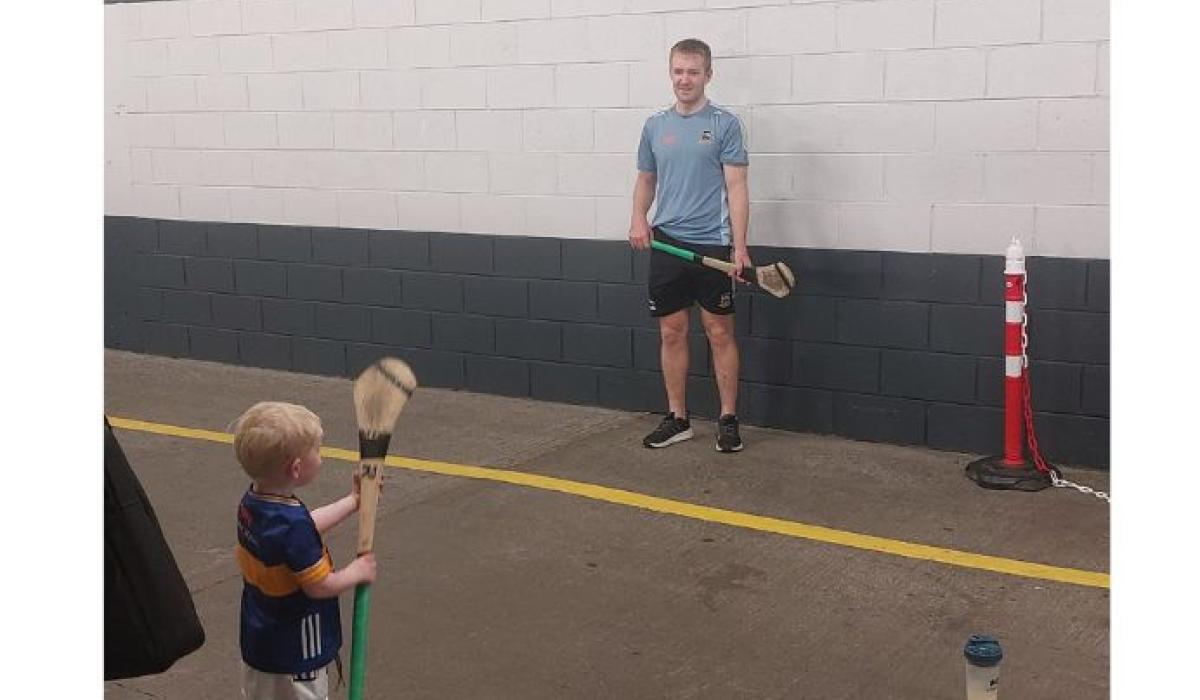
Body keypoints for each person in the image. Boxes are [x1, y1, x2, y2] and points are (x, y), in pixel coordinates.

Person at [628, 38, 751, 453]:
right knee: (671, 333)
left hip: (713, 244)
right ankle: (678, 418)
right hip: (667, 245)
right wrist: (638, 218)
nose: (685, 79)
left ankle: (728, 419)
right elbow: (646, 179)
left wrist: (740, 247)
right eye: (678, 71)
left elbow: (737, 187)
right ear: (671, 73)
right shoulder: (654, 126)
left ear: (707, 75)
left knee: (719, 332)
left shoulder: (724, 124)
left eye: (693, 72)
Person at [231, 401, 377, 700]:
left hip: (261, 643)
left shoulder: (253, 504)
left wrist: (352, 501)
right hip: (295, 652)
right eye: (318, 451)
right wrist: (355, 572)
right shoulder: (293, 526)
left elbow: (302, 529)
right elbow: (319, 586)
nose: (322, 456)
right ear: (296, 468)